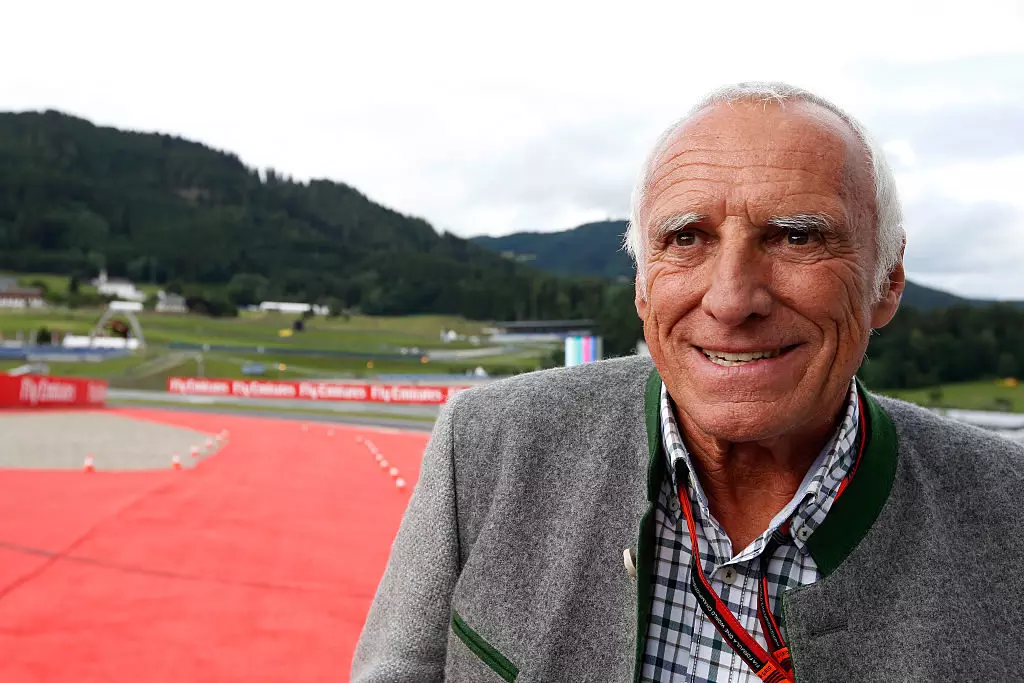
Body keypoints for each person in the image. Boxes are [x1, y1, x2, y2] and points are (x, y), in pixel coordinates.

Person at [351, 82, 1024, 682]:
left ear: (890, 279)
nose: (731, 300)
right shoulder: (488, 445)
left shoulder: (1009, 513)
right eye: (686, 238)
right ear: (643, 287)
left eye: (794, 236)